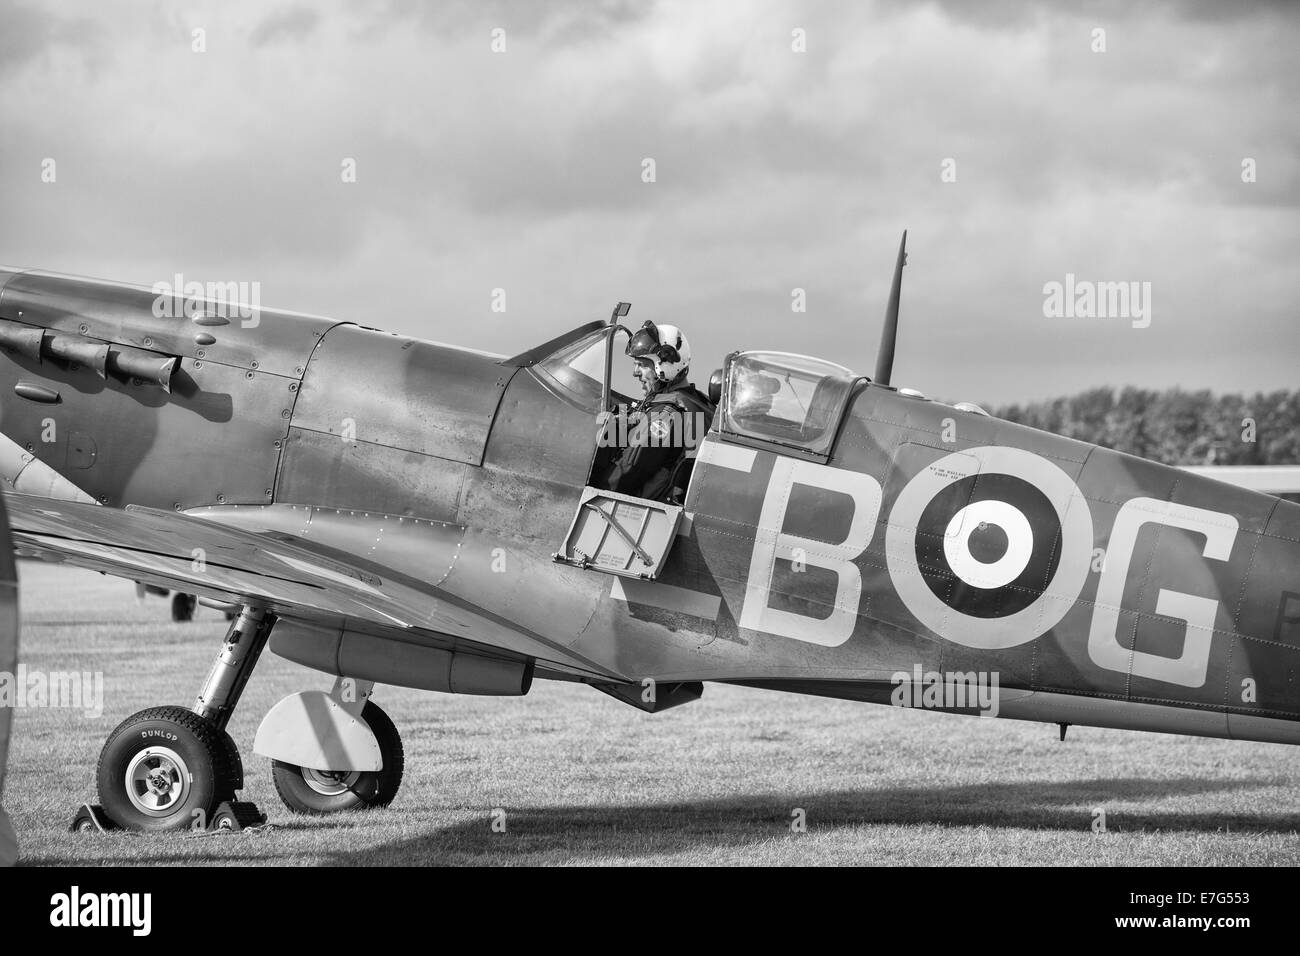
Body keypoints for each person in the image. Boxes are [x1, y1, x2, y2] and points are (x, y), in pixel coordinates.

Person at [600, 320, 714, 504]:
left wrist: (590, 485)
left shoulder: (666, 413)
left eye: (642, 365)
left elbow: (627, 472)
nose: (635, 373)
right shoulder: (698, 403)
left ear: (665, 365)